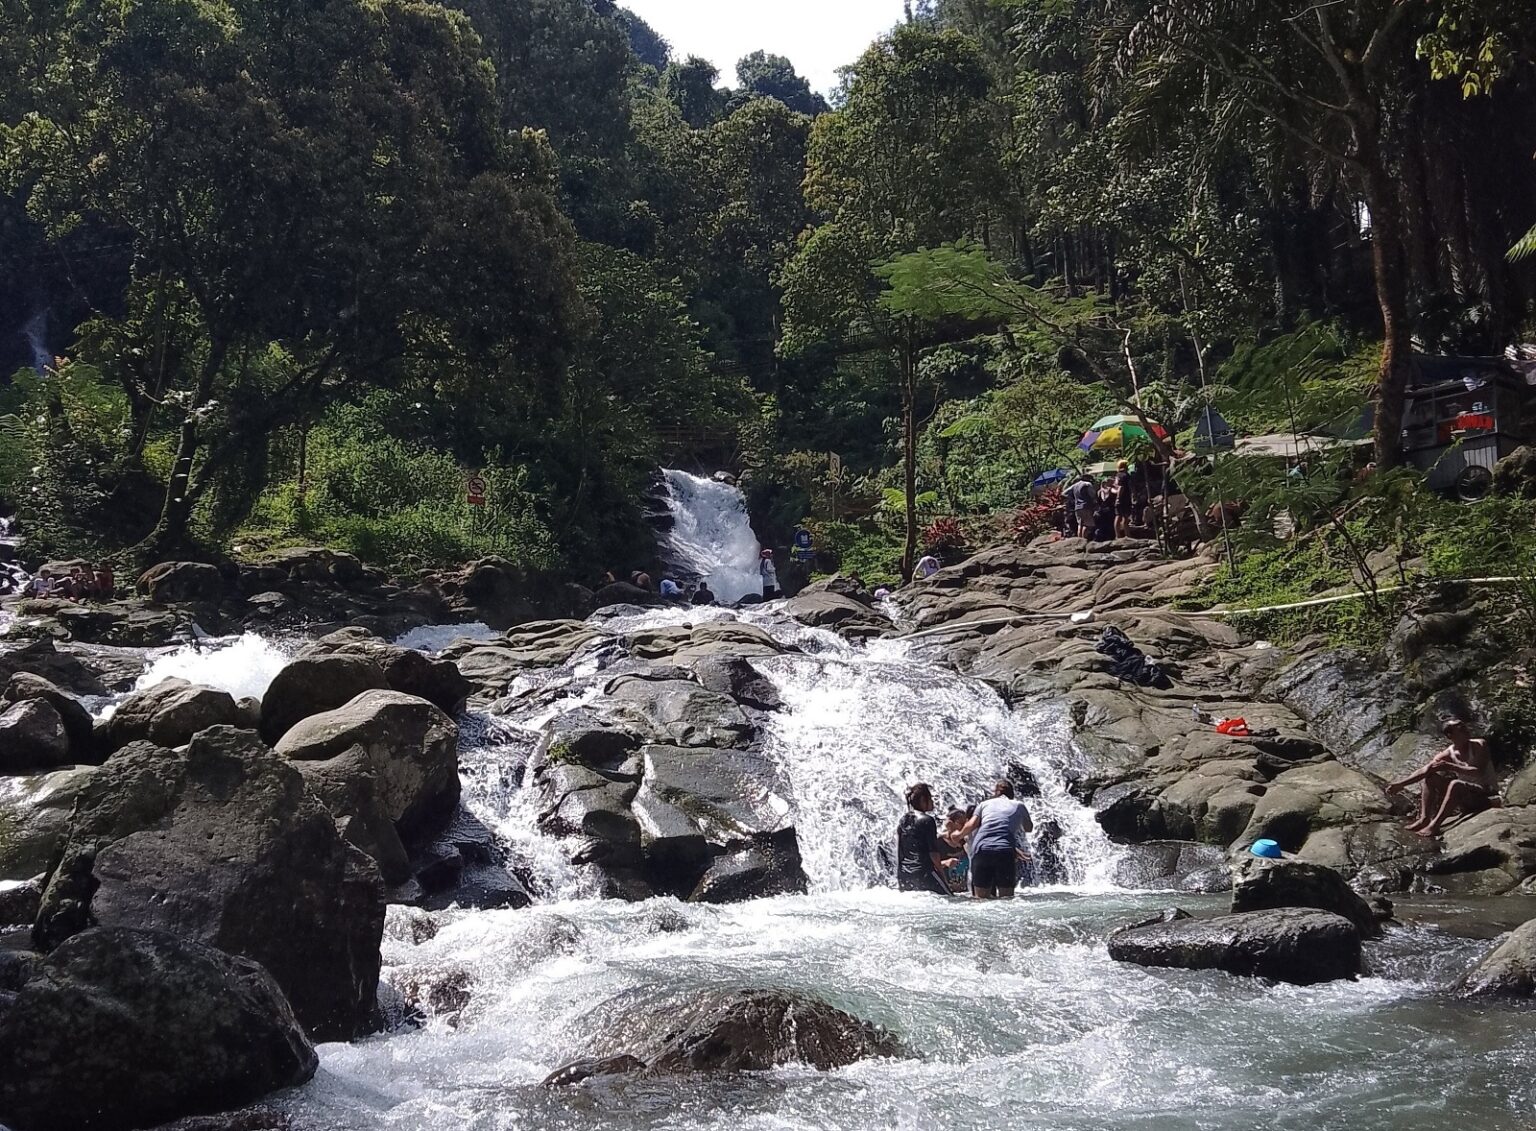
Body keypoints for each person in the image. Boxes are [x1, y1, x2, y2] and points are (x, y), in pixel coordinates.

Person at [1387, 718, 1498, 838]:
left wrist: (1450, 766)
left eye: (1464, 726)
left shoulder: (1479, 745)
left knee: (1456, 784)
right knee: (1430, 777)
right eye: (1460, 728)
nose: (1466, 730)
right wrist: (1401, 784)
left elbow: (1478, 771)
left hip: (1487, 796)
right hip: (1466, 797)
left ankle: (1435, 825)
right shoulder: (1449, 753)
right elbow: (1425, 770)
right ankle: (1424, 819)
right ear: (1450, 735)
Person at [959, 779, 1033, 899]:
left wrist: (958, 836)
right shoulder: (1019, 805)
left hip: (982, 851)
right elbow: (1028, 828)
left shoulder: (984, 804)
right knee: (1007, 898)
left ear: (995, 793)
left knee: (981, 899)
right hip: (1005, 852)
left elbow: (971, 825)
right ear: (1012, 794)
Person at [896, 783, 955, 895]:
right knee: (951, 899)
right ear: (923, 800)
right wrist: (943, 877)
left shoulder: (903, 820)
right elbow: (934, 854)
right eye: (930, 798)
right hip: (924, 873)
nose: (933, 802)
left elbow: (900, 850)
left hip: (904, 875)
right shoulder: (927, 820)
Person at [941, 808, 972, 892]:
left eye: (966, 824)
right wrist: (945, 863)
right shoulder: (938, 841)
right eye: (961, 823)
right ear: (949, 824)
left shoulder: (968, 841)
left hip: (966, 891)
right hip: (946, 890)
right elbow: (927, 865)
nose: (964, 827)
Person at [1065, 474, 1096, 539]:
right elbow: (1092, 495)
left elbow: (1064, 493)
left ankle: (1079, 540)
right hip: (1086, 506)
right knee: (1088, 525)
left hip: (1077, 507)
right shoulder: (1087, 484)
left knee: (1080, 524)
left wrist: (1072, 499)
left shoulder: (1075, 485)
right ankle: (1084, 539)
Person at [1113, 460, 1135, 539]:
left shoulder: (1118, 475)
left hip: (1122, 498)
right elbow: (1121, 487)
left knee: (1119, 516)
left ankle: (1119, 535)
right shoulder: (1125, 475)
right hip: (1124, 498)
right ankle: (1126, 534)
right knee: (1123, 517)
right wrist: (1118, 498)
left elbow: (1116, 486)